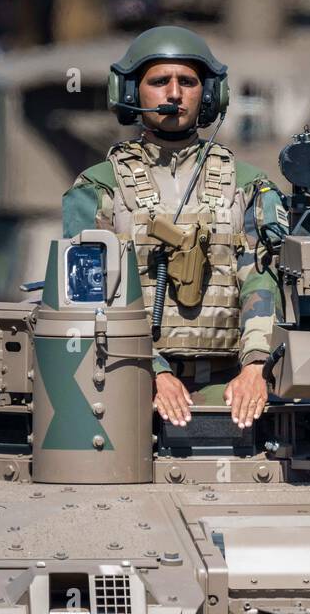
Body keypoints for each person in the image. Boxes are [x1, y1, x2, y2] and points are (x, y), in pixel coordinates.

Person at [61, 26, 287, 429]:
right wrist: (155, 370)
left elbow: (262, 279)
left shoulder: (249, 183)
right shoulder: (99, 187)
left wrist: (255, 366)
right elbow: (89, 296)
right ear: (131, 93)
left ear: (210, 95)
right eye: (159, 81)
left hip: (230, 381)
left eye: (188, 82)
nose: (174, 93)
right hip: (127, 373)